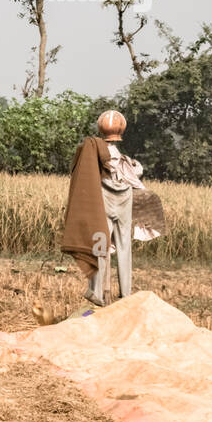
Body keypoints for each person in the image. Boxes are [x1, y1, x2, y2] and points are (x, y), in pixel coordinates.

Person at [62, 109, 145, 306]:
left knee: (99, 244)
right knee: (125, 246)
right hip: (124, 202)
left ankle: (96, 291)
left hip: (104, 204)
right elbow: (136, 174)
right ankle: (126, 293)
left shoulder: (96, 157)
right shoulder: (125, 160)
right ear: (120, 133)